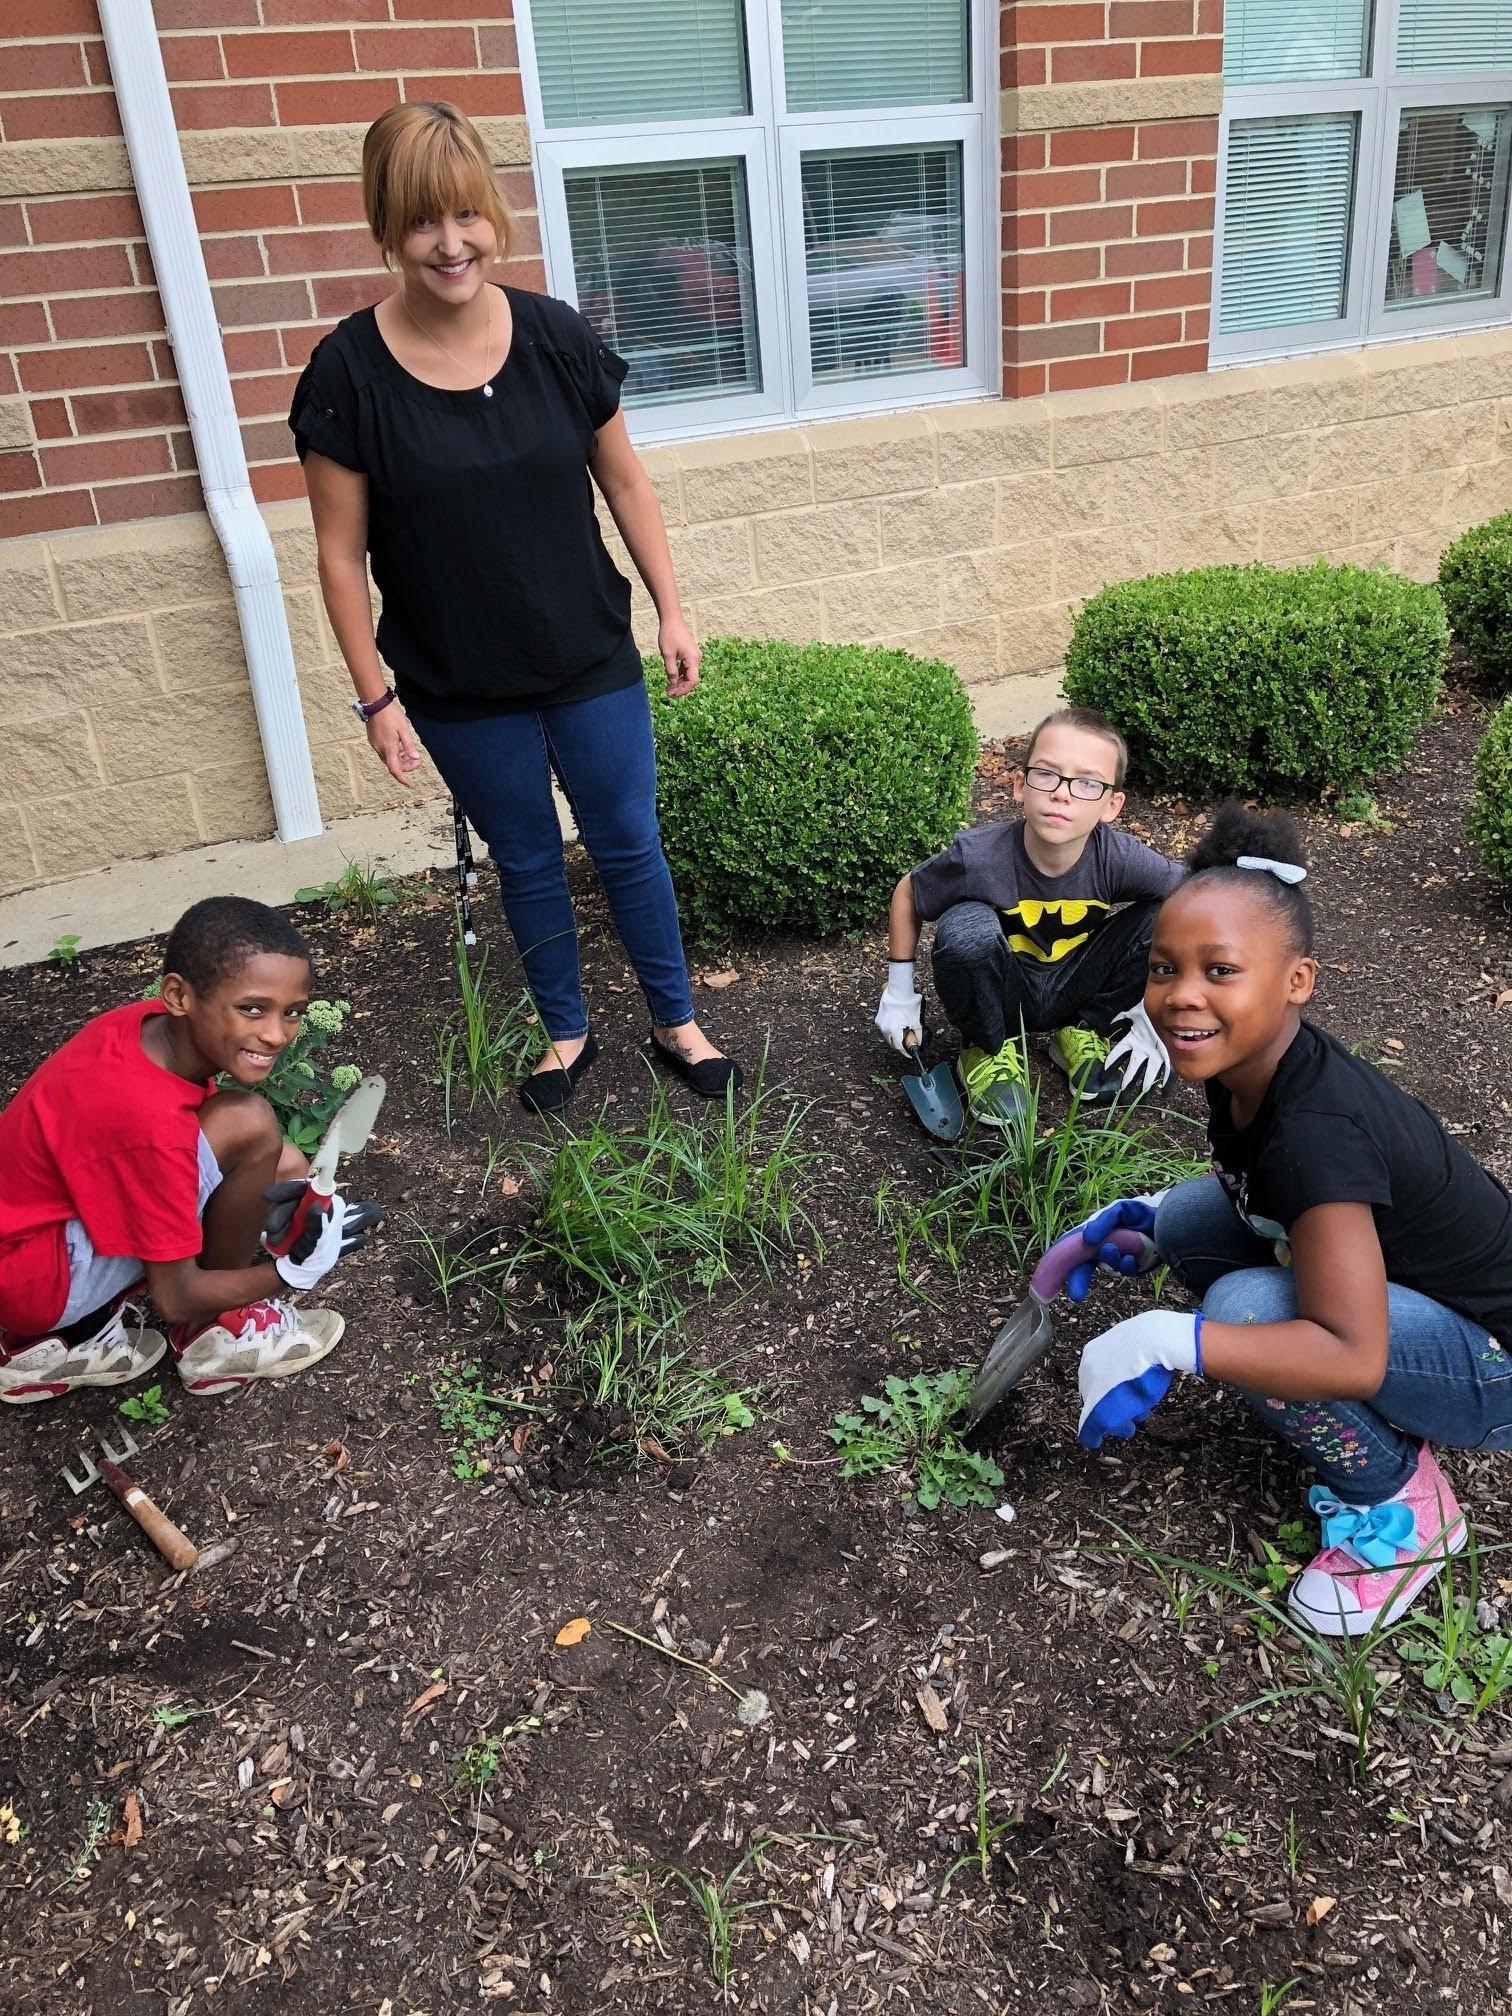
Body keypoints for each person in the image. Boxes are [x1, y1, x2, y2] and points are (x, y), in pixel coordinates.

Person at [289, 99, 740, 1114]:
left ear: (492, 212)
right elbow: (336, 554)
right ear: (387, 229)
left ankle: (678, 1022)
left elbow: (625, 482)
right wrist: (375, 700)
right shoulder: (347, 376)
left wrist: (671, 609)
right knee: (528, 856)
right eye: (421, 224)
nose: (451, 246)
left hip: (586, 653)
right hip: (455, 680)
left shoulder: (554, 338)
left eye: (466, 218)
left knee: (628, 840)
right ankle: (567, 1033)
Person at [1070, 804, 1512, 1636]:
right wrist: (1147, 1219)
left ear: (1297, 981)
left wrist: (1171, 1340)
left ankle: (1402, 1509)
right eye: (1163, 968)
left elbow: (1353, 1352)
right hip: (1423, 1297)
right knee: (1195, 1216)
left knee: (1242, 1311)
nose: (1181, 996)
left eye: (1220, 971)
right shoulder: (1256, 1066)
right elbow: (1250, 1184)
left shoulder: (1319, 1133)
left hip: (1498, 1367)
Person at [0, 898, 379, 1404]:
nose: (275, 1034)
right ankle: (212, 1337)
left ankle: (64, 1338)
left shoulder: (143, 1029)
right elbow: (175, 1297)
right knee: (248, 1124)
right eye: (251, 1008)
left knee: (283, 1164)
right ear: (179, 995)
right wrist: (290, 1272)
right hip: (33, 1283)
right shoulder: (146, 1123)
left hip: (24, 1240)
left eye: (291, 1012)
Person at [874, 707, 1182, 1126]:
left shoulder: (1118, 858)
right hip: (1004, 993)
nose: (1063, 793)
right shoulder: (979, 858)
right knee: (966, 927)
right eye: (1047, 774)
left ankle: (1081, 1031)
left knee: (1170, 914)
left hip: (1077, 986)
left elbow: (1200, 897)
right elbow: (909, 891)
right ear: (1021, 785)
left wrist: (1162, 1006)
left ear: (1112, 805)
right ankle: (987, 1049)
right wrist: (899, 994)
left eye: (1087, 783)